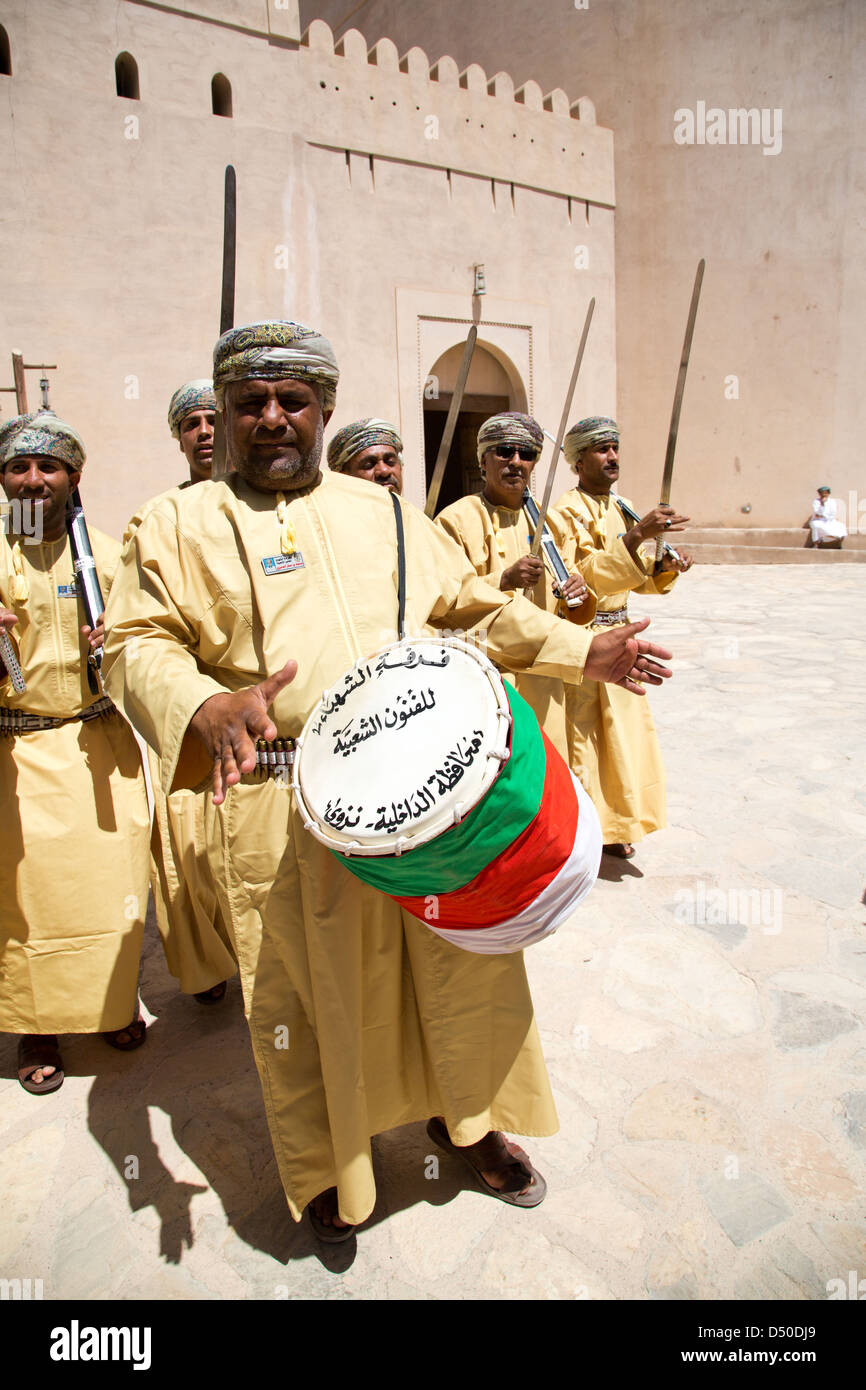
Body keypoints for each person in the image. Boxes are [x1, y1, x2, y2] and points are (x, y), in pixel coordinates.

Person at [102, 322, 673, 1240]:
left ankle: (473, 1122)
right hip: (280, 803)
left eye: (294, 401)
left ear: (324, 409)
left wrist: (580, 649)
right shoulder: (175, 524)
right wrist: (202, 706)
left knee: (464, 972)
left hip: (426, 794)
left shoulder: (385, 514)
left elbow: (466, 608)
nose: (273, 418)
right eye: (252, 403)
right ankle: (333, 1168)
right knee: (311, 997)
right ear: (227, 413)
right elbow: (135, 643)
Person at [0, 411, 151, 1093]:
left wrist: (117, 642)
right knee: (34, 898)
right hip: (21, 748)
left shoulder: (111, 555)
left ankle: (111, 1006)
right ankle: (39, 1024)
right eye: (18, 467)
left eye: (48, 467)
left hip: (101, 744)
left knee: (112, 893)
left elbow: (151, 648)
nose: (33, 481)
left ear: (74, 477)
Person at [123, 378, 236, 1005]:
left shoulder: (262, 506)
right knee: (192, 846)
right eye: (190, 422)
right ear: (178, 437)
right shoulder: (156, 516)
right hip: (191, 705)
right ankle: (207, 963)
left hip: (258, 704)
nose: (204, 431)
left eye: (210, 418)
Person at [549, 416, 693, 860]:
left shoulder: (624, 506)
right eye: (600, 449)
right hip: (587, 640)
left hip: (623, 632)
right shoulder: (562, 512)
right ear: (577, 460)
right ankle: (587, 830)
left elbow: (636, 578)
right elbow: (573, 580)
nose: (612, 457)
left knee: (623, 739)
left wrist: (666, 566)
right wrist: (634, 537)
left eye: (614, 447)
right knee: (586, 738)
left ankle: (617, 824)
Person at [436, 410, 596, 760]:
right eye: (504, 451)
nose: (516, 462)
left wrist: (579, 594)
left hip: (546, 676)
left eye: (526, 454)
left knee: (548, 774)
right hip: (489, 679)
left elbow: (575, 605)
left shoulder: (550, 521)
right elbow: (445, 605)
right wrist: (504, 580)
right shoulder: (455, 520)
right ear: (483, 460)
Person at [326, 417, 403, 493]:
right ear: (343, 476)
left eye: (390, 462)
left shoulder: (410, 505)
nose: (384, 471)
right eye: (369, 465)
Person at [168, 379, 217, 484]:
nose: (203, 431)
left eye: (214, 422)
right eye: (192, 424)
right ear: (181, 441)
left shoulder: (256, 499)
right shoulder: (169, 501)